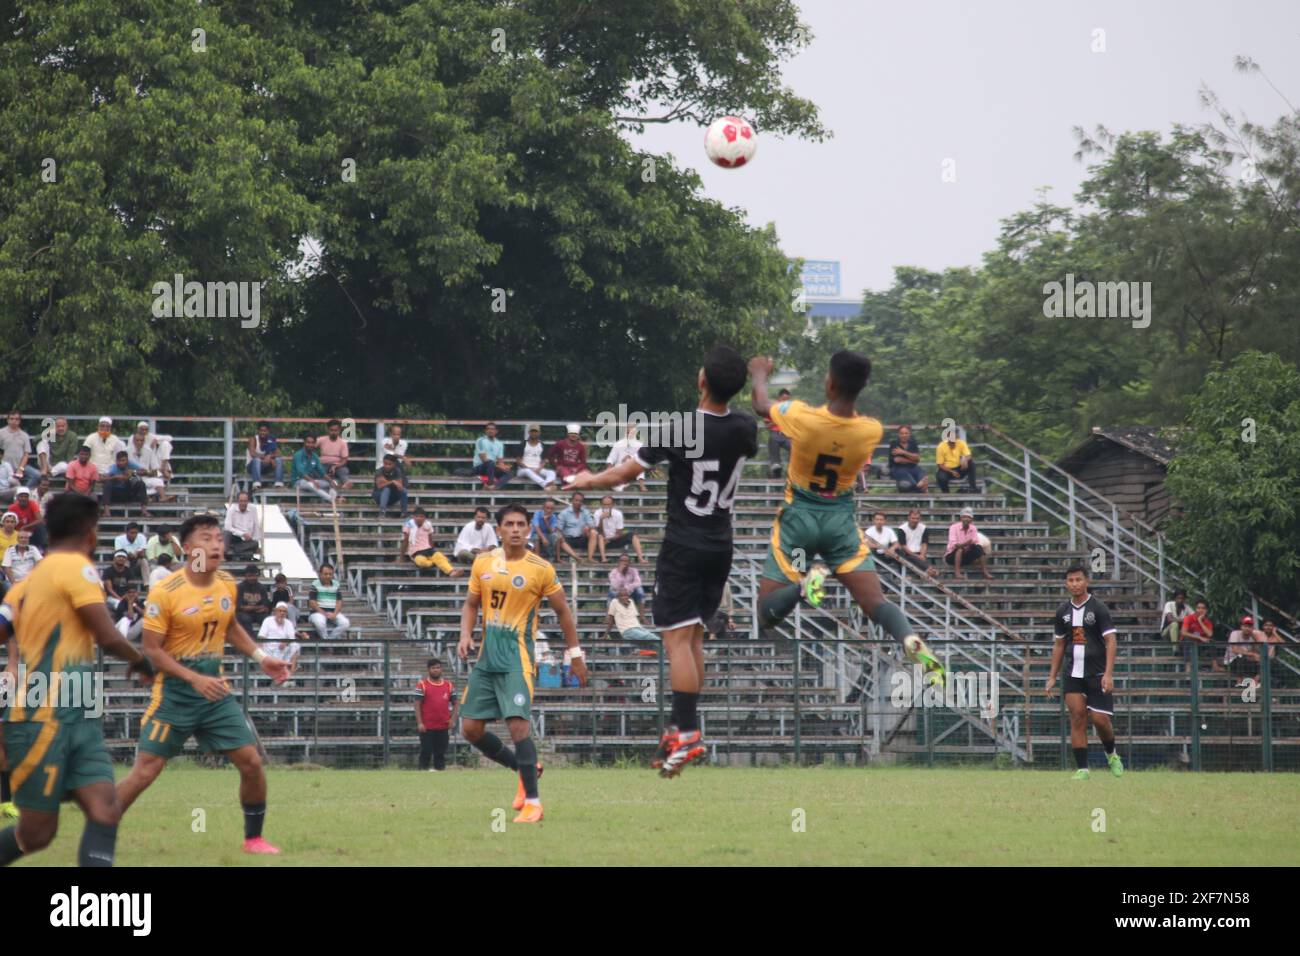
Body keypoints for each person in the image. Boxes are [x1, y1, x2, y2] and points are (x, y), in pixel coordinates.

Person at [572, 345, 759, 776]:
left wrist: (586, 479)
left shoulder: (680, 428)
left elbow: (622, 474)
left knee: (676, 640)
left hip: (684, 543)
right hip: (721, 544)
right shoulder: (746, 427)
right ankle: (680, 728)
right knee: (692, 639)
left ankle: (689, 733)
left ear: (701, 380)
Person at [745, 350, 946, 690]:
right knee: (877, 604)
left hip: (799, 518)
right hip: (840, 522)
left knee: (766, 611)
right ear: (863, 386)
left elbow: (761, 404)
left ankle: (802, 585)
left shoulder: (801, 416)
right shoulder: (870, 430)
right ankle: (910, 638)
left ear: (830, 383)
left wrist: (759, 373)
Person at [114, 512, 290, 854]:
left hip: (214, 693)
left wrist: (261, 657)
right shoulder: (165, 591)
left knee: (251, 762)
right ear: (189, 548)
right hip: (176, 694)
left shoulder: (226, 582)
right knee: (145, 773)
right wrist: (194, 678)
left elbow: (230, 626)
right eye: (207, 539)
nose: (216, 545)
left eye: (219, 539)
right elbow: (151, 650)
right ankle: (101, 824)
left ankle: (254, 839)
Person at [0, 492, 155, 868]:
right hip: (44, 718)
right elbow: (108, 635)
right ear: (90, 532)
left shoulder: (24, 586)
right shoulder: (79, 569)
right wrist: (142, 661)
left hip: (79, 713)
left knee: (105, 807)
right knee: (36, 833)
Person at [457, 504, 585, 822]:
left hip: (518, 660)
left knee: (517, 726)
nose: (515, 529)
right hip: (487, 660)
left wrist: (576, 655)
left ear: (529, 529)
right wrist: (465, 635)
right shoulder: (483, 563)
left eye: (521, 524)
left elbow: (564, 613)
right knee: (470, 729)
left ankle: (533, 803)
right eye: (509, 524)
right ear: (498, 529)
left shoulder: (540, 568)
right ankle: (525, 769)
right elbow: (471, 604)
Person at [1045, 564, 1123, 780]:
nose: (1075, 584)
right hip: (1073, 674)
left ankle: (1112, 755)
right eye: (1070, 580)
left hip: (1097, 674)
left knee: (1099, 720)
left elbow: (1111, 641)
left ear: (1086, 581)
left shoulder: (1098, 608)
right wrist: (1052, 676)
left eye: (1078, 579)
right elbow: (1059, 645)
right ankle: (1083, 769)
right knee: (1078, 717)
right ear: (1065, 583)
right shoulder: (1062, 612)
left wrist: (1108, 674)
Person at [415, 659, 457, 771]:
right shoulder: (422, 685)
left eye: (438, 667)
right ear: (428, 670)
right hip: (427, 726)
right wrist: (419, 723)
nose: (436, 670)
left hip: (443, 726)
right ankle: (422, 772)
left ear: (441, 669)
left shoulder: (449, 685)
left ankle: (440, 774)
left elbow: (456, 704)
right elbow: (417, 705)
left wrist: (452, 719)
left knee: (441, 753)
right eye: (433, 668)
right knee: (426, 751)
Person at [401, 508, 461, 576]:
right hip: (416, 552)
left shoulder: (427, 524)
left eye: (421, 516)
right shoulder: (408, 525)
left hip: (428, 550)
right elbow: (405, 540)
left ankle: (452, 572)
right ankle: (437, 562)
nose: (419, 518)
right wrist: (401, 557)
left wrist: (433, 550)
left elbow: (430, 539)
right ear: (413, 517)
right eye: (416, 516)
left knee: (438, 555)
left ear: (424, 518)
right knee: (421, 562)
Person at [591, 494, 644, 563]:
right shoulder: (597, 513)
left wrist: (609, 539)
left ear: (612, 505)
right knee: (600, 536)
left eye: (608, 504)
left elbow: (619, 533)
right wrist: (601, 520)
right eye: (604, 504)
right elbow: (599, 531)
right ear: (601, 505)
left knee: (633, 535)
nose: (606, 506)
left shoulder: (618, 514)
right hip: (601, 541)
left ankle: (640, 558)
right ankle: (603, 558)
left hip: (614, 539)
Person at [945, 507, 991, 579]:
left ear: (971, 519)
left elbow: (975, 541)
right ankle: (957, 573)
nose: (966, 519)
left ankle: (985, 572)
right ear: (961, 518)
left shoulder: (973, 528)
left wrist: (969, 544)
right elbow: (954, 544)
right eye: (964, 517)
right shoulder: (953, 527)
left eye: (968, 517)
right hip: (952, 556)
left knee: (979, 547)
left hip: (966, 553)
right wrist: (965, 544)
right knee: (960, 549)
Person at [258, 603, 301, 679]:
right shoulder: (268, 620)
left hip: (282, 648)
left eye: (284, 611)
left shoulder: (288, 623)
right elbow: (261, 636)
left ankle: (289, 675)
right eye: (280, 611)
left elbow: (292, 638)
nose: (282, 613)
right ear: (275, 611)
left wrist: (286, 642)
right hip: (269, 648)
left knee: (295, 646)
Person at [101, 449, 150, 517]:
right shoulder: (113, 468)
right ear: (116, 461)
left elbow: (145, 472)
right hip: (117, 494)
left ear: (127, 461)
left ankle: (144, 511)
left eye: (123, 460)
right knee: (107, 484)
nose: (121, 463)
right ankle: (107, 512)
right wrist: (114, 477)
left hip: (129, 492)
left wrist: (133, 472)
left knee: (140, 483)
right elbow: (101, 479)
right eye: (119, 461)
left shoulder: (131, 464)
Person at [307, 563, 350, 639]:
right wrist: (323, 613)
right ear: (320, 574)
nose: (328, 576)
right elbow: (312, 602)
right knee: (319, 623)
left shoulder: (336, 584)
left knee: (345, 623)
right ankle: (326, 641)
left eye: (330, 574)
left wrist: (335, 614)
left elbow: (339, 601)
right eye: (325, 574)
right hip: (318, 612)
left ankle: (330, 640)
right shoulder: (315, 584)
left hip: (333, 612)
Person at [291, 434, 337, 503]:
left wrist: (331, 481)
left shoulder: (315, 456)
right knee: (312, 484)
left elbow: (321, 472)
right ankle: (331, 499)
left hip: (310, 480)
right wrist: (313, 481)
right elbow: (301, 473)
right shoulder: (298, 455)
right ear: (304, 443)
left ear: (315, 444)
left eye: (312, 443)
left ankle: (335, 501)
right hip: (298, 481)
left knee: (333, 483)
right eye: (308, 442)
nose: (310, 445)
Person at [0, 412, 39, 489]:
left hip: (20, 466)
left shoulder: (24, 435)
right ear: (8, 420)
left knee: (37, 475)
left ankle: (24, 492)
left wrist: (20, 468)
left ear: (19, 421)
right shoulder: (1, 433)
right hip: (3, 466)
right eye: (11, 419)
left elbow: (26, 454)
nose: (14, 421)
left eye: (16, 419)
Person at [896, 508, 938, 577]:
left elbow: (924, 543)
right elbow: (903, 546)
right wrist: (916, 556)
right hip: (907, 553)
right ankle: (929, 569)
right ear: (909, 518)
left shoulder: (923, 528)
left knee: (917, 559)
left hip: (919, 552)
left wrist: (922, 554)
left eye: (917, 518)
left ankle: (928, 570)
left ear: (920, 518)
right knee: (911, 558)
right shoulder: (902, 529)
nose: (915, 520)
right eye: (913, 518)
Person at [555, 491, 595, 562]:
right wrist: (561, 535)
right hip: (569, 539)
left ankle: (590, 558)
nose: (578, 502)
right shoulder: (564, 513)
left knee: (593, 532)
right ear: (572, 501)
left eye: (580, 501)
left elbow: (592, 525)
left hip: (582, 538)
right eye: (576, 500)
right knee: (559, 537)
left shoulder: (585, 512)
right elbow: (558, 529)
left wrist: (588, 527)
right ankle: (576, 557)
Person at [605, 424, 646, 492]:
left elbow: (642, 458)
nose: (629, 434)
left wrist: (631, 458)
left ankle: (642, 486)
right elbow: (611, 458)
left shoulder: (639, 445)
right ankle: (624, 488)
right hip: (620, 468)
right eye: (627, 432)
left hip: (633, 468)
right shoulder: (618, 444)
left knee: (639, 465)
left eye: (631, 432)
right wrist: (609, 469)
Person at [935, 428, 978, 493]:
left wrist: (965, 460)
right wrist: (951, 471)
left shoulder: (961, 443)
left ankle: (973, 488)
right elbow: (940, 464)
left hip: (959, 468)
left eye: (955, 434)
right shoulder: (941, 446)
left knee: (971, 464)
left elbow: (969, 455)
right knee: (941, 478)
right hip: (947, 470)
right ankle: (947, 497)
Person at [888, 424, 929, 492]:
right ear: (898, 434)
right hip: (898, 468)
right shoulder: (894, 444)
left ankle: (922, 485)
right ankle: (919, 488)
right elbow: (897, 460)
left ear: (909, 434)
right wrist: (912, 460)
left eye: (906, 433)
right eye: (902, 433)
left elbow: (917, 458)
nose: (904, 435)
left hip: (913, 467)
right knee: (910, 484)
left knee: (922, 475)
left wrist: (903, 452)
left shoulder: (913, 443)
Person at [515, 425, 557, 490]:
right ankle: (545, 485)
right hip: (523, 470)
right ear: (529, 433)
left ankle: (548, 486)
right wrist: (529, 469)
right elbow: (518, 461)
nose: (534, 433)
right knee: (527, 471)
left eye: (535, 432)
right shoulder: (523, 444)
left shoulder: (542, 445)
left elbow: (543, 461)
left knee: (551, 472)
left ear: (539, 433)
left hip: (537, 469)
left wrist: (538, 469)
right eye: (532, 431)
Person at [317, 419, 352, 494]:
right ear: (328, 430)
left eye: (336, 430)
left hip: (337, 465)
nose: (333, 432)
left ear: (339, 431)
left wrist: (335, 466)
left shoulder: (342, 443)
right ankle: (330, 487)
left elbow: (344, 460)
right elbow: (311, 448)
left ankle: (346, 482)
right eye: (331, 430)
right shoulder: (321, 440)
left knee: (343, 470)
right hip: (323, 464)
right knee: (319, 470)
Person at [236, 564, 272, 637]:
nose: (252, 578)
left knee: (267, 619)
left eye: (254, 575)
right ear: (245, 576)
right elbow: (239, 606)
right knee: (245, 619)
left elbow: (265, 604)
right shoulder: (240, 587)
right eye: (249, 576)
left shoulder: (261, 587)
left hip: (258, 613)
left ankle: (267, 641)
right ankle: (252, 641)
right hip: (243, 614)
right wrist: (256, 607)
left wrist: (264, 608)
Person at [223, 491, 261, 560]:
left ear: (248, 501)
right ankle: (232, 551)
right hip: (236, 538)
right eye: (241, 501)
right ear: (238, 501)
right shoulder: (232, 509)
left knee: (255, 543)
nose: (243, 503)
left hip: (247, 541)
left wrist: (254, 539)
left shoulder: (253, 509)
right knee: (226, 533)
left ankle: (232, 550)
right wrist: (242, 534)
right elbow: (227, 527)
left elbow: (256, 525)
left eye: (245, 501)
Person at [247, 421, 284, 489]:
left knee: (278, 459)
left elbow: (278, 453)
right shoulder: (253, 439)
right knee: (257, 460)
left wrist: (270, 457)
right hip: (252, 467)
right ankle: (256, 484)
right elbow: (253, 454)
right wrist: (266, 458)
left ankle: (278, 483)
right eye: (261, 430)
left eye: (265, 431)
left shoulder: (271, 439)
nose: (262, 433)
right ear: (258, 431)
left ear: (268, 431)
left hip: (265, 466)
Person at [1180, 600, 1214, 673]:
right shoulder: (1188, 618)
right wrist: (1200, 637)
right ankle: (1188, 666)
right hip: (1186, 645)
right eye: (1198, 608)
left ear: (1206, 610)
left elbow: (1210, 634)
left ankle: (1215, 665)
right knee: (1187, 639)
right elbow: (1183, 632)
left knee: (1212, 641)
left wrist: (1200, 621)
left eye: (1203, 608)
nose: (1200, 610)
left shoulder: (1208, 622)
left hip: (1199, 646)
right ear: (1195, 609)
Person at [472, 422, 510, 488]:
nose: (490, 431)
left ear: (496, 431)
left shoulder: (499, 444)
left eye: (492, 429)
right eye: (488, 429)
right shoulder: (480, 441)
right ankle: (490, 484)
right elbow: (484, 460)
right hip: (480, 467)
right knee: (490, 463)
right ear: (485, 431)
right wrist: (499, 466)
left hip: (492, 468)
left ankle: (493, 487)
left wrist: (504, 467)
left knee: (509, 474)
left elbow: (500, 462)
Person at [766, 388, 793, 476]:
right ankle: (776, 467)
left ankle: (791, 469)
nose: (785, 402)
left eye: (787, 400)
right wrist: (778, 420)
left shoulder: (791, 410)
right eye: (784, 399)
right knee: (773, 441)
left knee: (795, 447)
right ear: (779, 398)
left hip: (787, 435)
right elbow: (768, 425)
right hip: (775, 434)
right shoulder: (773, 408)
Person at [373, 453, 408, 517]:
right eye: (385, 464)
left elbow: (400, 486)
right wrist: (392, 481)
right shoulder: (380, 471)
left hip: (392, 496)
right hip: (379, 496)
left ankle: (404, 512)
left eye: (389, 464)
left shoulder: (397, 471)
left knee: (404, 490)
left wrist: (398, 485)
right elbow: (379, 486)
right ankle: (382, 512)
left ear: (394, 464)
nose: (387, 466)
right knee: (386, 489)